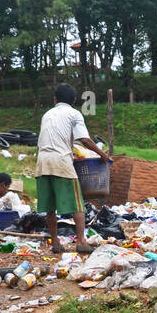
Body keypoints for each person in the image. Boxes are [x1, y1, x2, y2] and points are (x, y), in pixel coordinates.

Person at [35, 83, 108, 253]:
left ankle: (55, 242)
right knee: (77, 204)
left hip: (42, 162)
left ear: (55, 99)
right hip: (61, 162)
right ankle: (81, 241)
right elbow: (85, 139)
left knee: (50, 207)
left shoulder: (47, 114)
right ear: (74, 100)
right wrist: (102, 154)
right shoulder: (74, 114)